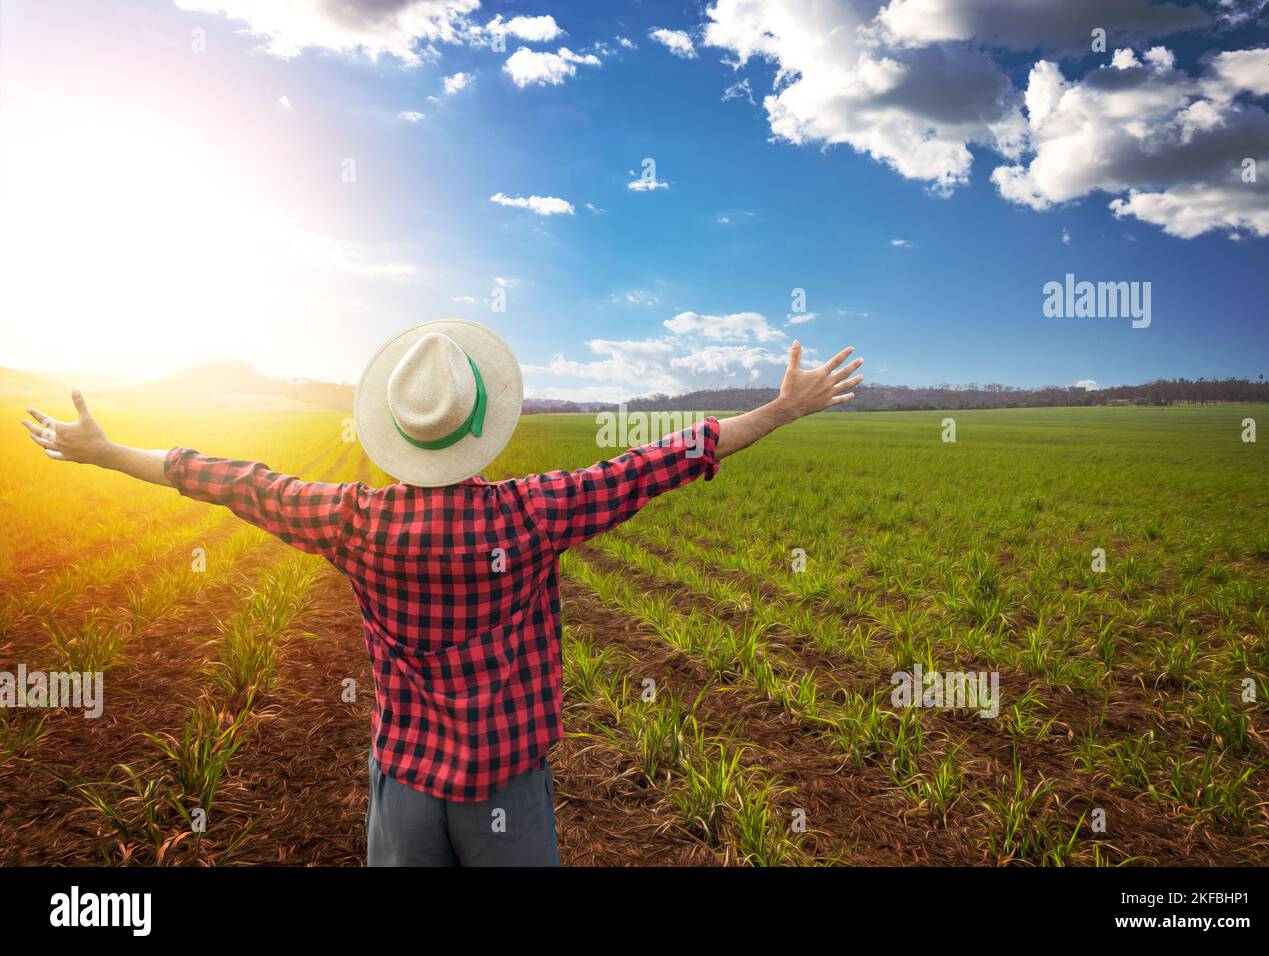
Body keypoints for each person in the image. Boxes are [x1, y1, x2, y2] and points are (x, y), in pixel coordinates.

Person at [22, 319, 862, 866]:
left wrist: (106, 452)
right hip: (506, 787)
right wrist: (780, 411)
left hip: (407, 785)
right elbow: (659, 460)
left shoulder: (352, 520)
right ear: (481, 422)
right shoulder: (537, 513)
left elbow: (232, 480)